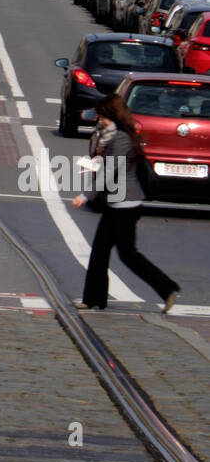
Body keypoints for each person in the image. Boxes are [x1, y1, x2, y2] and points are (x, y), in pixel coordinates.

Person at [71, 94, 180, 312]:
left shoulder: (120, 139)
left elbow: (110, 171)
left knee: (124, 254)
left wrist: (86, 196)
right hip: (119, 205)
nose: (98, 119)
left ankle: (166, 287)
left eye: (101, 115)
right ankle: (94, 299)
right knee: (110, 252)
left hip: (125, 206)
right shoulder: (115, 136)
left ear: (111, 115)